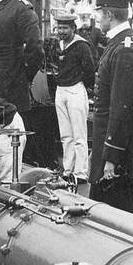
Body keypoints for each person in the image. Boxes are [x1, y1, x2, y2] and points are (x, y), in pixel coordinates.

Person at [88, 0, 133, 212]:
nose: (96, 18)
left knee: (116, 217)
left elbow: (122, 108)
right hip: (107, 144)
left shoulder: (124, 49)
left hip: (117, 153)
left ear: (108, 14)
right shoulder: (117, 44)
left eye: (98, 13)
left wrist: (111, 159)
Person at [52, 12, 95, 182]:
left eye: (65, 28)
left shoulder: (81, 46)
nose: (61, 31)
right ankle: (68, 169)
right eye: (59, 27)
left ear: (73, 28)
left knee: (79, 134)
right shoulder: (59, 44)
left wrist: (82, 85)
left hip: (76, 90)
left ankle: (81, 172)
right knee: (65, 134)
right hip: (61, 90)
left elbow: (90, 71)